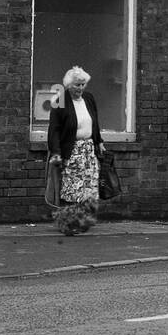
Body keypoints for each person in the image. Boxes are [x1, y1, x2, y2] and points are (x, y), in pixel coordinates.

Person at [47, 66, 105, 235]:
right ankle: (68, 224)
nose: (80, 88)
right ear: (68, 85)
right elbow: (54, 130)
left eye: (83, 84)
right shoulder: (60, 100)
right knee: (71, 189)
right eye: (77, 85)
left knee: (89, 188)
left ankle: (82, 222)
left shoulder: (88, 98)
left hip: (88, 150)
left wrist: (99, 141)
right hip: (71, 151)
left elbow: (94, 121)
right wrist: (56, 152)